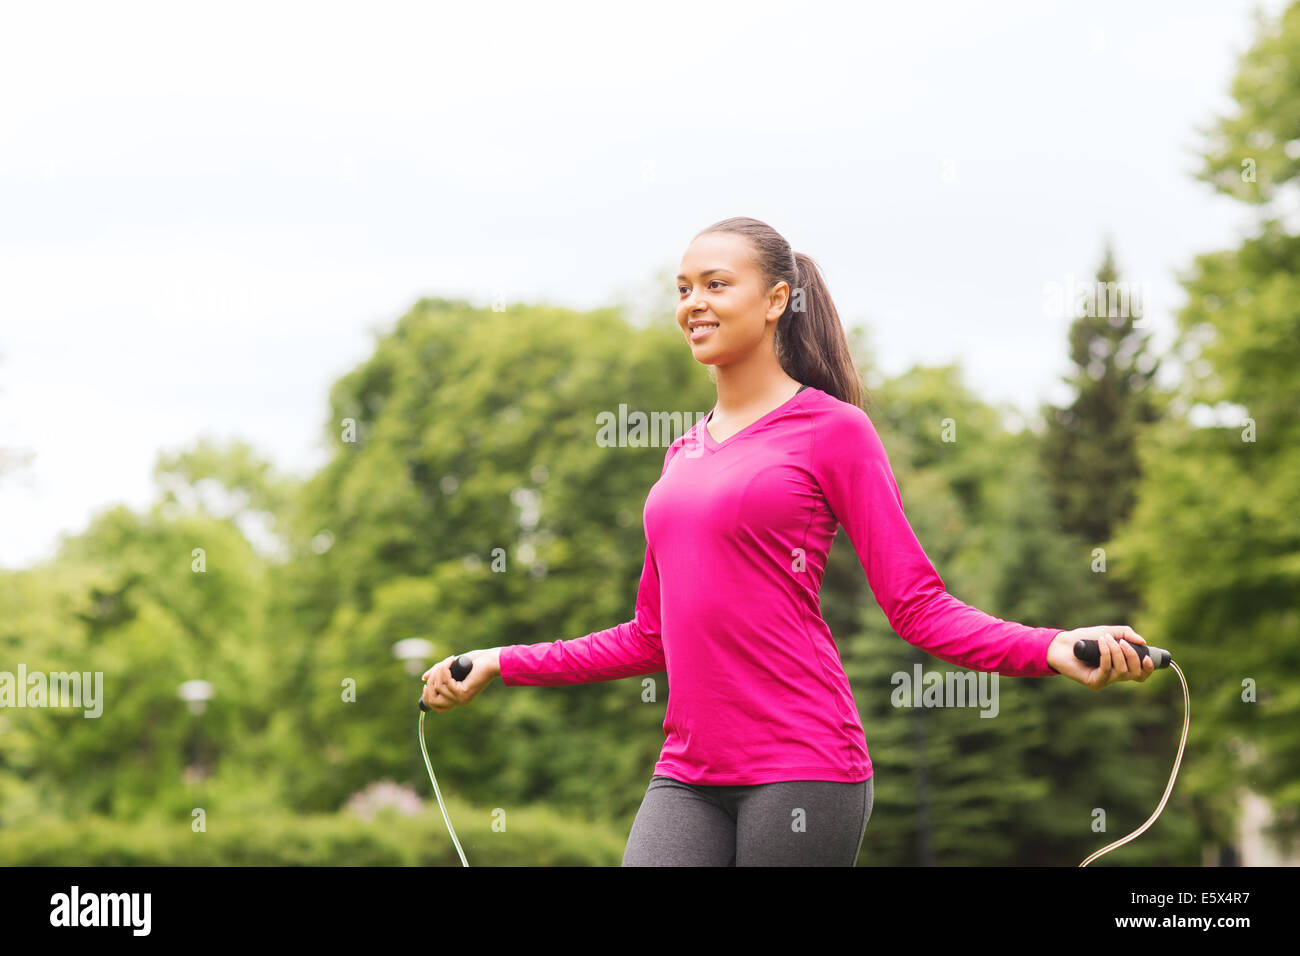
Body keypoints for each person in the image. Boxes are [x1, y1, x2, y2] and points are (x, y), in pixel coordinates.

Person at [420, 216, 1156, 867]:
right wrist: (500, 661)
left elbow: (917, 605)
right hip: (688, 773)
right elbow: (651, 638)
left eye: (715, 283)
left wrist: (1050, 646)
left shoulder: (833, 430)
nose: (693, 304)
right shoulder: (681, 454)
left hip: (803, 765)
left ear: (776, 300)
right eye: (682, 288)